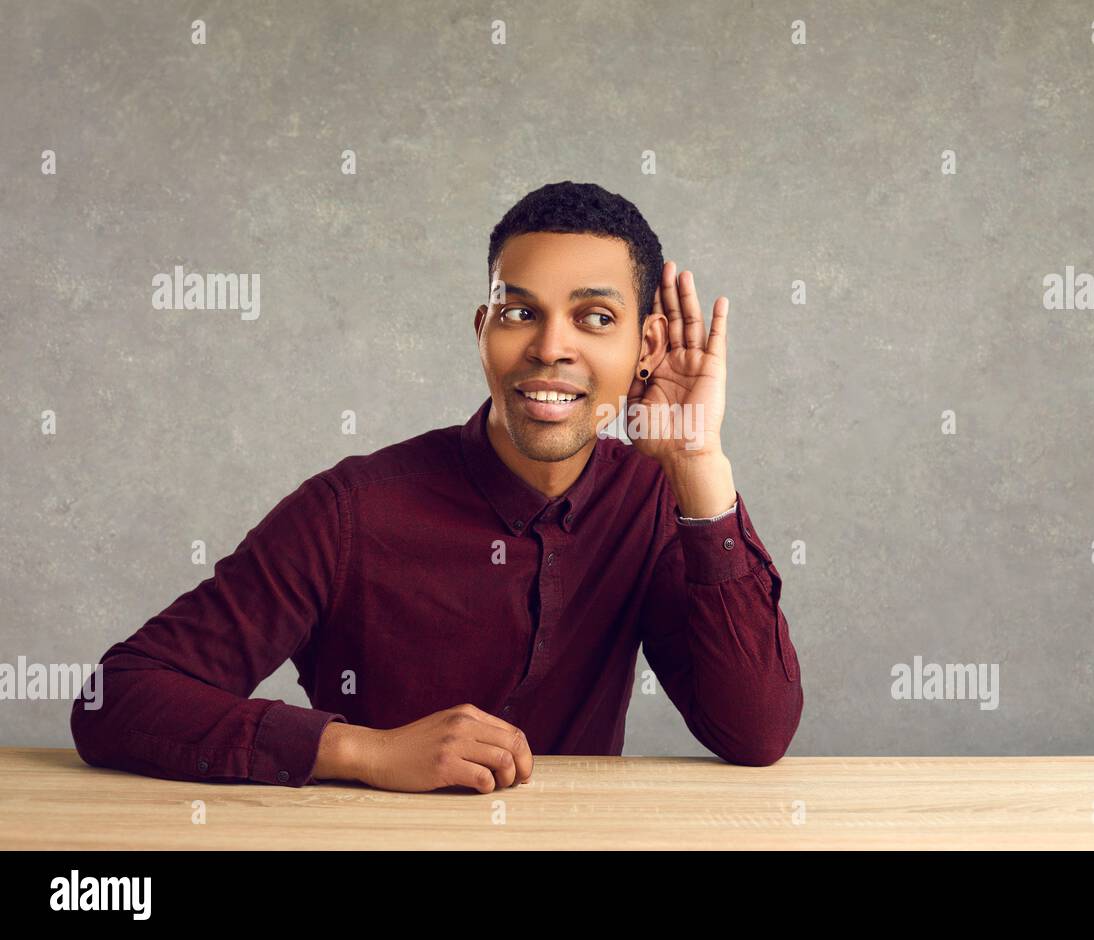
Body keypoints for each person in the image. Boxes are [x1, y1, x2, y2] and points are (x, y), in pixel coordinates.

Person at [70, 181, 802, 793]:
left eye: (595, 318)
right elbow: (118, 697)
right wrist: (363, 752)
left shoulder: (652, 503)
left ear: (645, 348)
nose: (551, 347)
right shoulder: (350, 511)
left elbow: (756, 732)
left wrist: (700, 465)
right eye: (520, 313)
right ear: (483, 330)